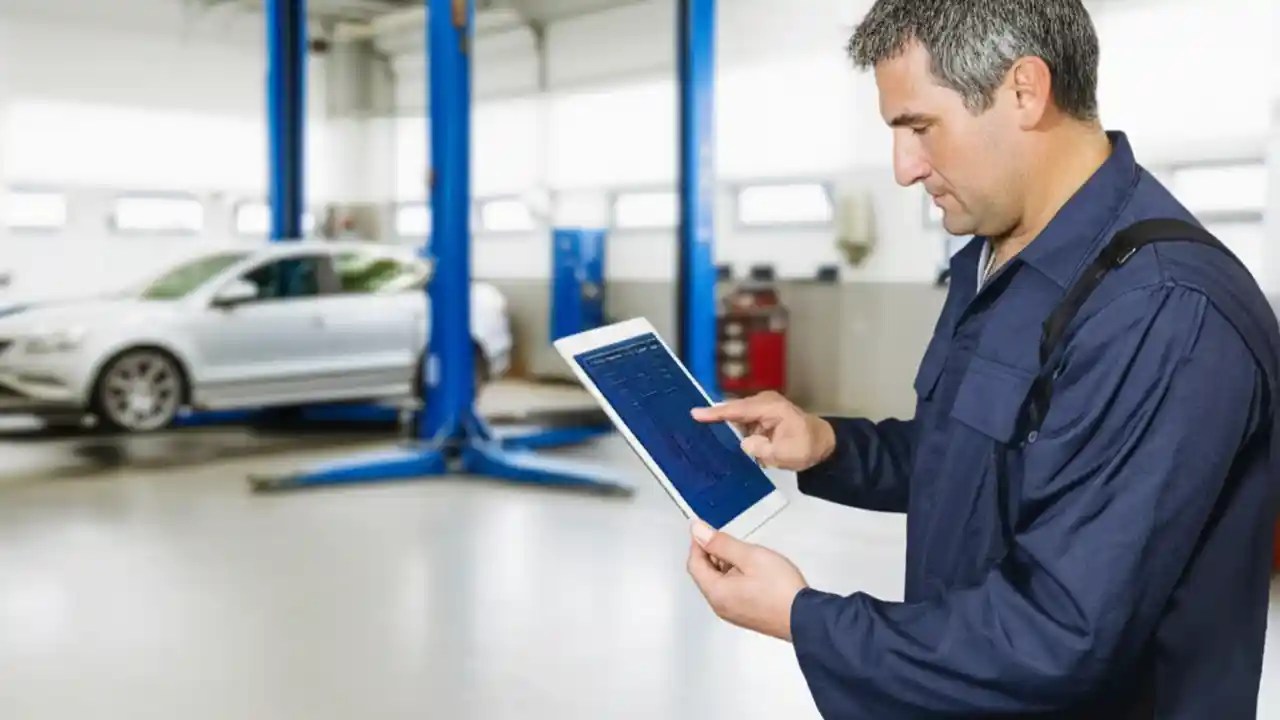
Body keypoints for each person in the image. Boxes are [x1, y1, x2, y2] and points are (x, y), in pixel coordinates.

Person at [685, 1, 1280, 717]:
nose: (904, 168)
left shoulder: (1162, 312)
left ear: (1024, 91)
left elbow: (1059, 634)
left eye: (919, 127)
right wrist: (827, 445)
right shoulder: (998, 257)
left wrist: (803, 617)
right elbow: (972, 459)